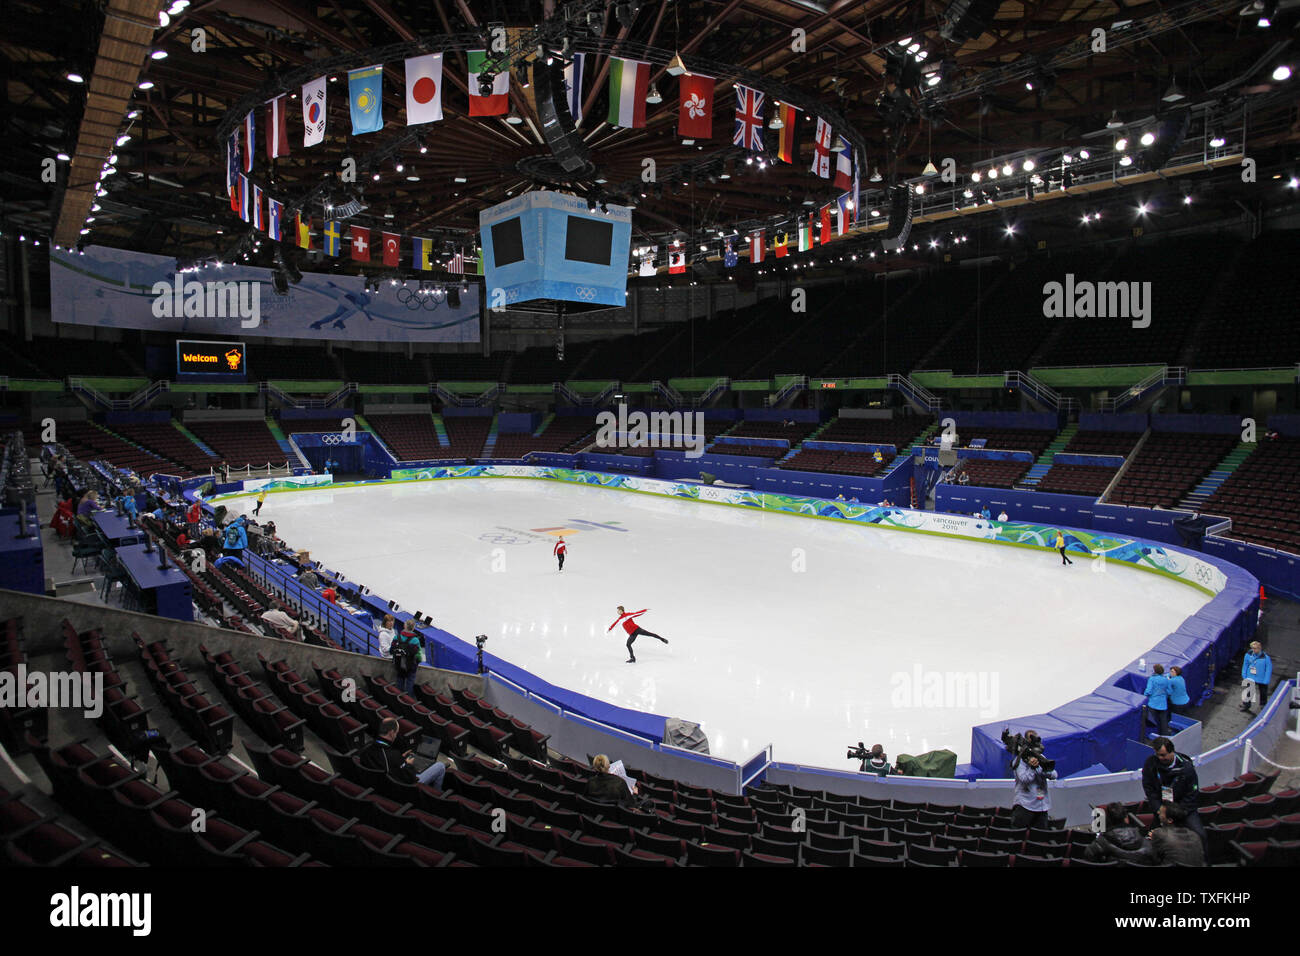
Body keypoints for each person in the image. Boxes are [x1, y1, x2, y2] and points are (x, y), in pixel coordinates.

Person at [1141, 737, 1205, 858]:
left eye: (1163, 755)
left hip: (1184, 810)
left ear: (1172, 752)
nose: (1160, 758)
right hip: (1162, 809)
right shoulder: (1151, 763)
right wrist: (1159, 808)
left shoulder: (1186, 768)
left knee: (1200, 835)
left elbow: (1192, 794)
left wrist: (1177, 812)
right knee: (1150, 839)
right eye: (1157, 754)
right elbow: (1149, 789)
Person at [358, 716, 446, 790]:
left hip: (378, 784)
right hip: (402, 788)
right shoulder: (393, 755)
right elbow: (411, 778)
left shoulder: (367, 747)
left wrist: (401, 759)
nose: (396, 735)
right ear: (391, 733)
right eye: (396, 733)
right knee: (440, 766)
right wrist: (408, 764)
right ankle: (436, 794)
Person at [1111, 803, 1206, 866]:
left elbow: (1151, 857)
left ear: (1170, 820)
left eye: (1161, 813)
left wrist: (1150, 839)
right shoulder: (1194, 835)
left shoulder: (1160, 833)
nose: (1158, 813)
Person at [1010, 747, 1057, 828]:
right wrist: (1032, 768)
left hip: (1041, 805)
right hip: (1025, 805)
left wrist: (1040, 768)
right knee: (1019, 835)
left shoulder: (1040, 757)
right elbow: (1024, 779)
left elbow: (1054, 775)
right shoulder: (1018, 761)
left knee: (1039, 836)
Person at [390, 619, 424, 694]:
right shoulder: (415, 640)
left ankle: (398, 698)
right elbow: (418, 656)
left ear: (404, 626)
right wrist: (417, 662)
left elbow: (391, 650)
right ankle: (408, 699)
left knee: (399, 681)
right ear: (413, 628)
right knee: (409, 683)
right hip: (411, 666)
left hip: (398, 664)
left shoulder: (397, 637)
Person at [1240, 641, 1272, 714]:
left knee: (1263, 692)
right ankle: (1246, 705)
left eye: (1255, 648)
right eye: (1253, 648)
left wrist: (1266, 680)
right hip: (1251, 677)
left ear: (1260, 648)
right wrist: (1244, 675)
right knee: (1249, 691)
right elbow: (1245, 665)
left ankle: (1263, 704)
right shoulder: (1248, 655)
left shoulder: (1266, 658)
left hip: (1261, 678)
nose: (1254, 650)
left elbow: (1268, 670)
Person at [1143, 664, 1171, 737]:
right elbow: (1169, 691)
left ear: (1155, 671)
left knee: (1152, 721)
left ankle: (1153, 736)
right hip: (1163, 704)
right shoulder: (1165, 679)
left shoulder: (1152, 679)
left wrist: (1144, 695)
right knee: (1163, 721)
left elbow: (1148, 691)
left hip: (1153, 703)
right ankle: (1165, 736)